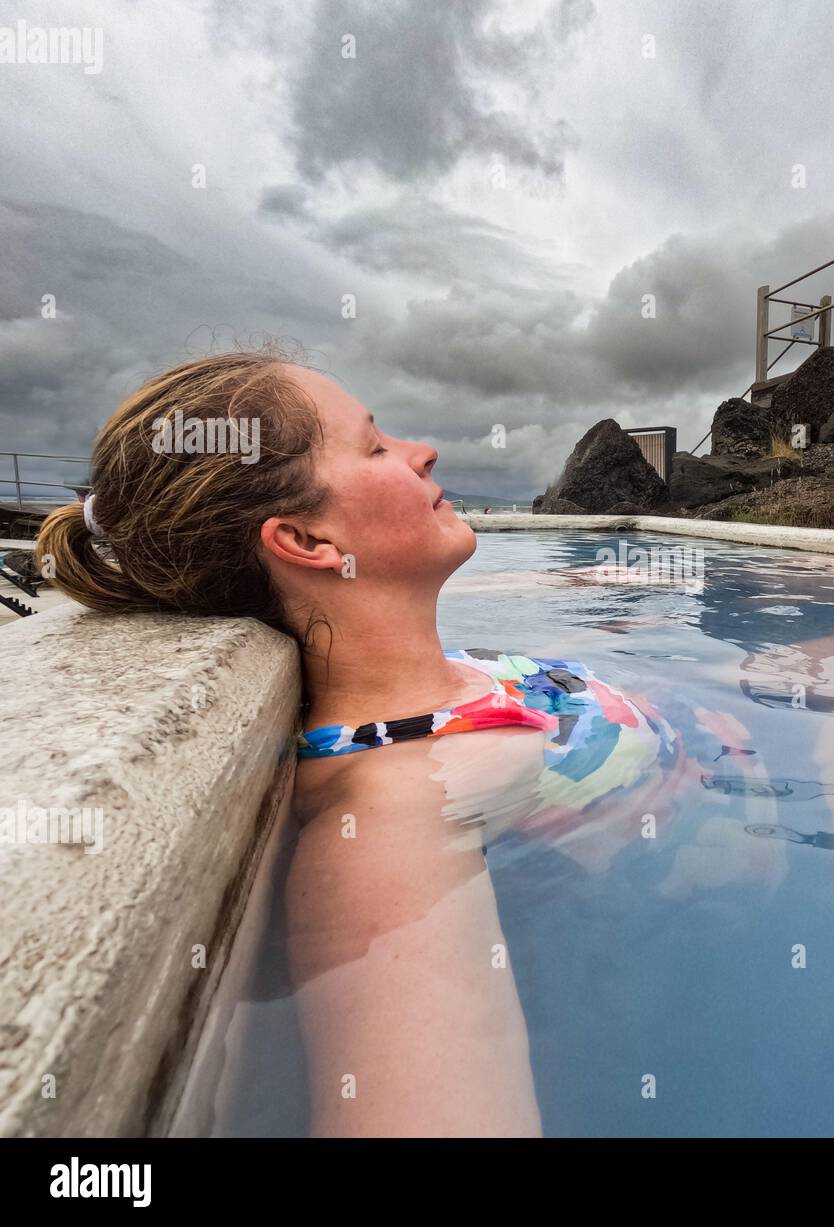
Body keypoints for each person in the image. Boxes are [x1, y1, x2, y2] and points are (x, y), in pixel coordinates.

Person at [34, 349, 736, 1137]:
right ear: (306, 539)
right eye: (374, 446)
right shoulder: (392, 817)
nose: (422, 450)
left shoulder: (437, 684)